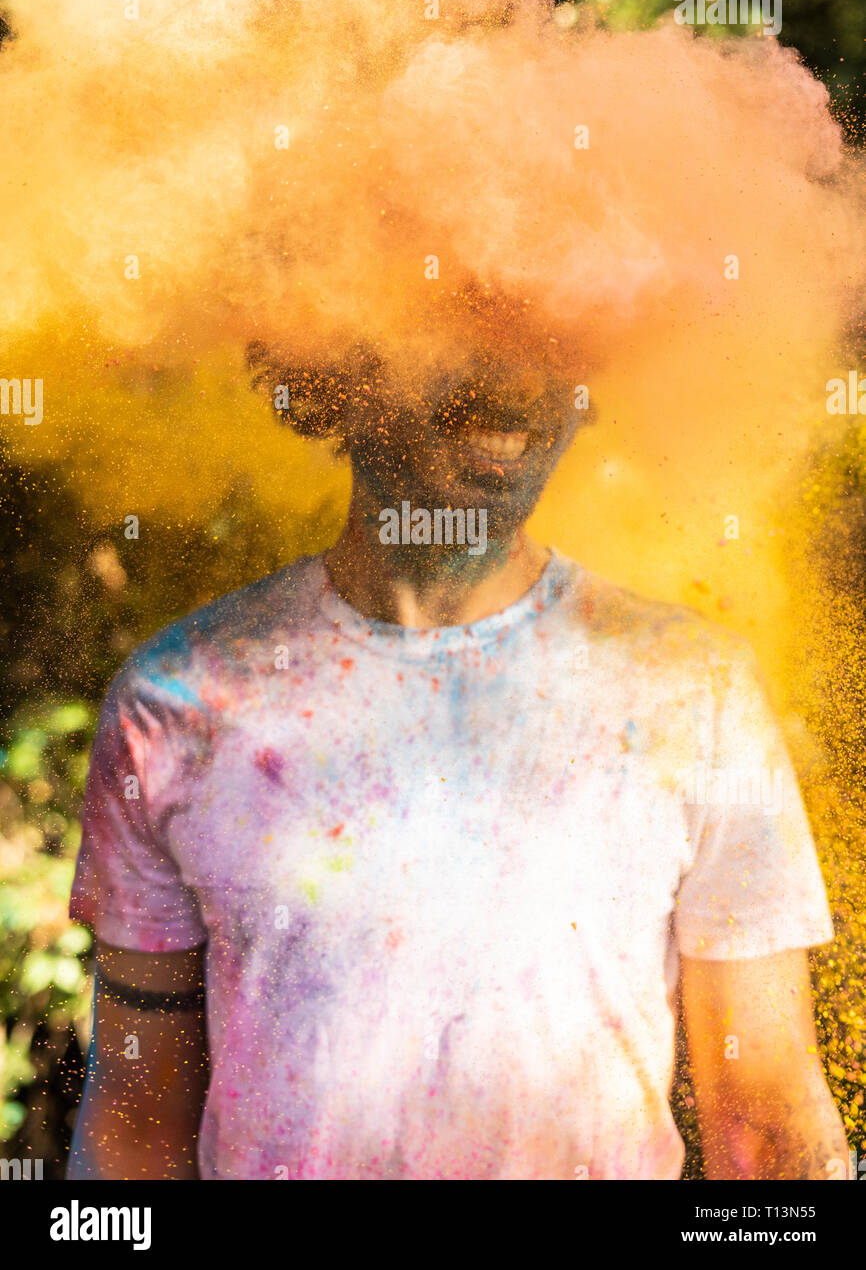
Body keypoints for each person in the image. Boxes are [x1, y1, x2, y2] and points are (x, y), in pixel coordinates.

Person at [67, 335, 846, 1180]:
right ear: (335, 351)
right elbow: (137, 1127)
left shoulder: (696, 693)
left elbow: (768, 1126)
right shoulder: (177, 703)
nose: (520, 384)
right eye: (467, 326)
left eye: (561, 332)